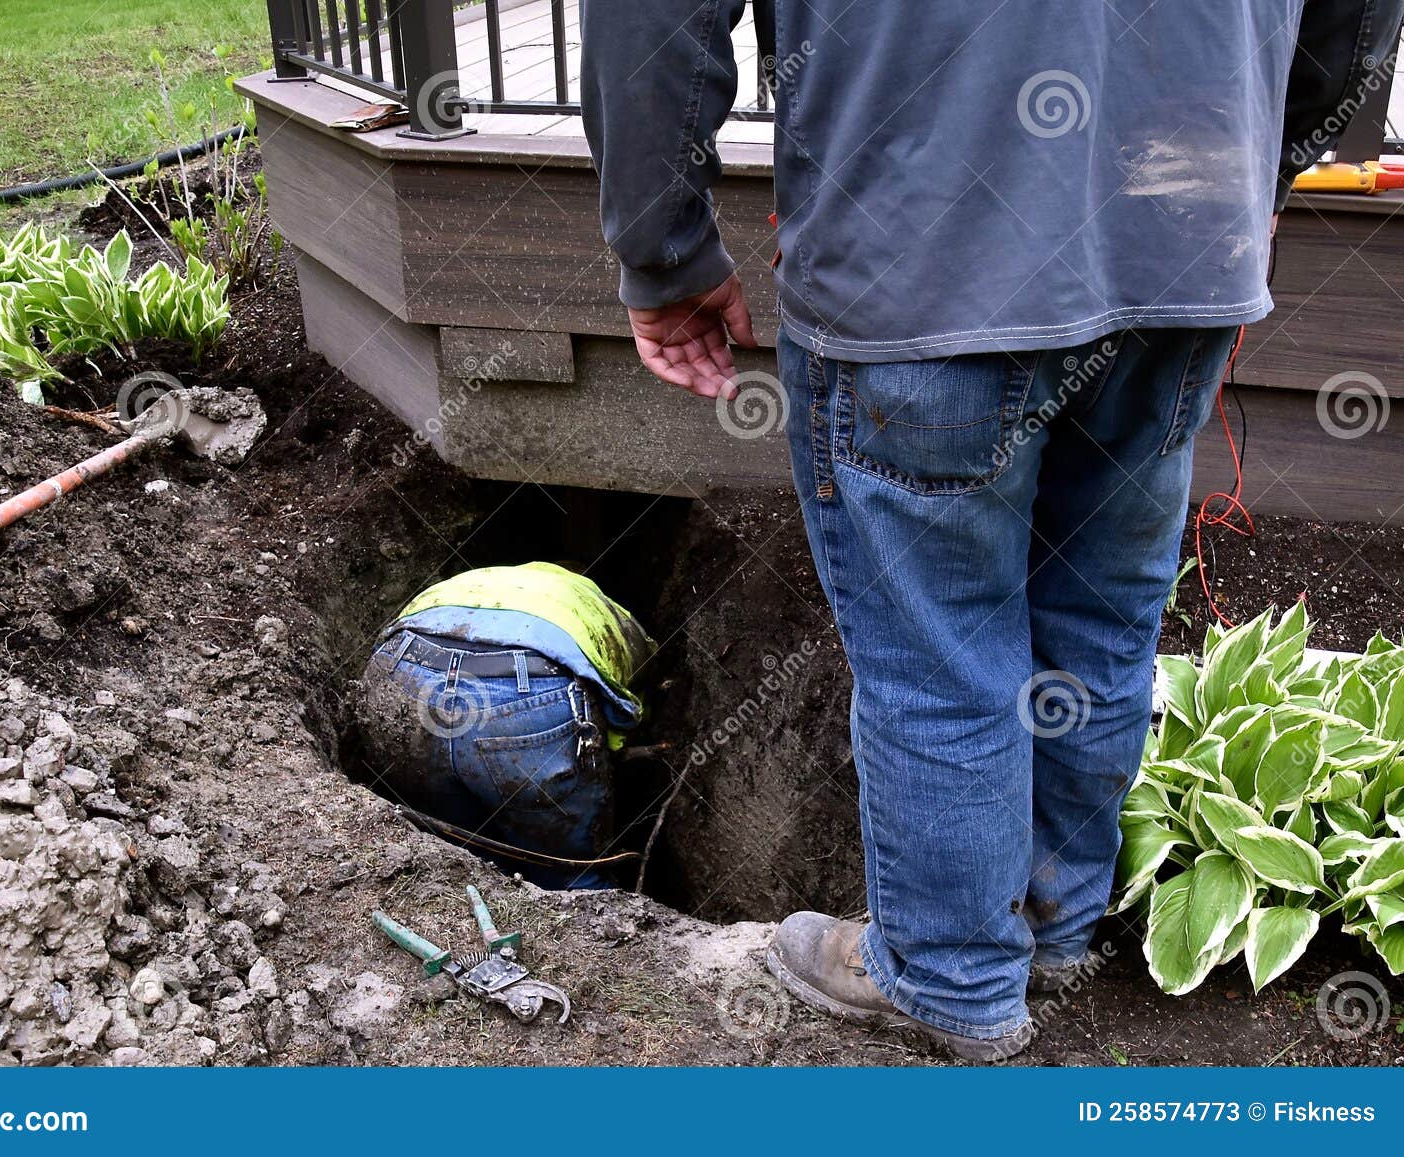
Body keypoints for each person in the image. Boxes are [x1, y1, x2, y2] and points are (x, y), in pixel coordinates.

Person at [581, 0, 1404, 1059]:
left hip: (916, 252)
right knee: (1099, 624)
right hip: (1181, 238)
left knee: (938, 651)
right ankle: (1055, 932)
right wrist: (1262, 160)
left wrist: (662, 249)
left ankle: (951, 976)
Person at [358, 562, 655, 889]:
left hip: (406, 676)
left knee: (450, 847)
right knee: (570, 879)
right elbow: (624, 713)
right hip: (524, 692)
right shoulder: (612, 620)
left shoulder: (467, 582)